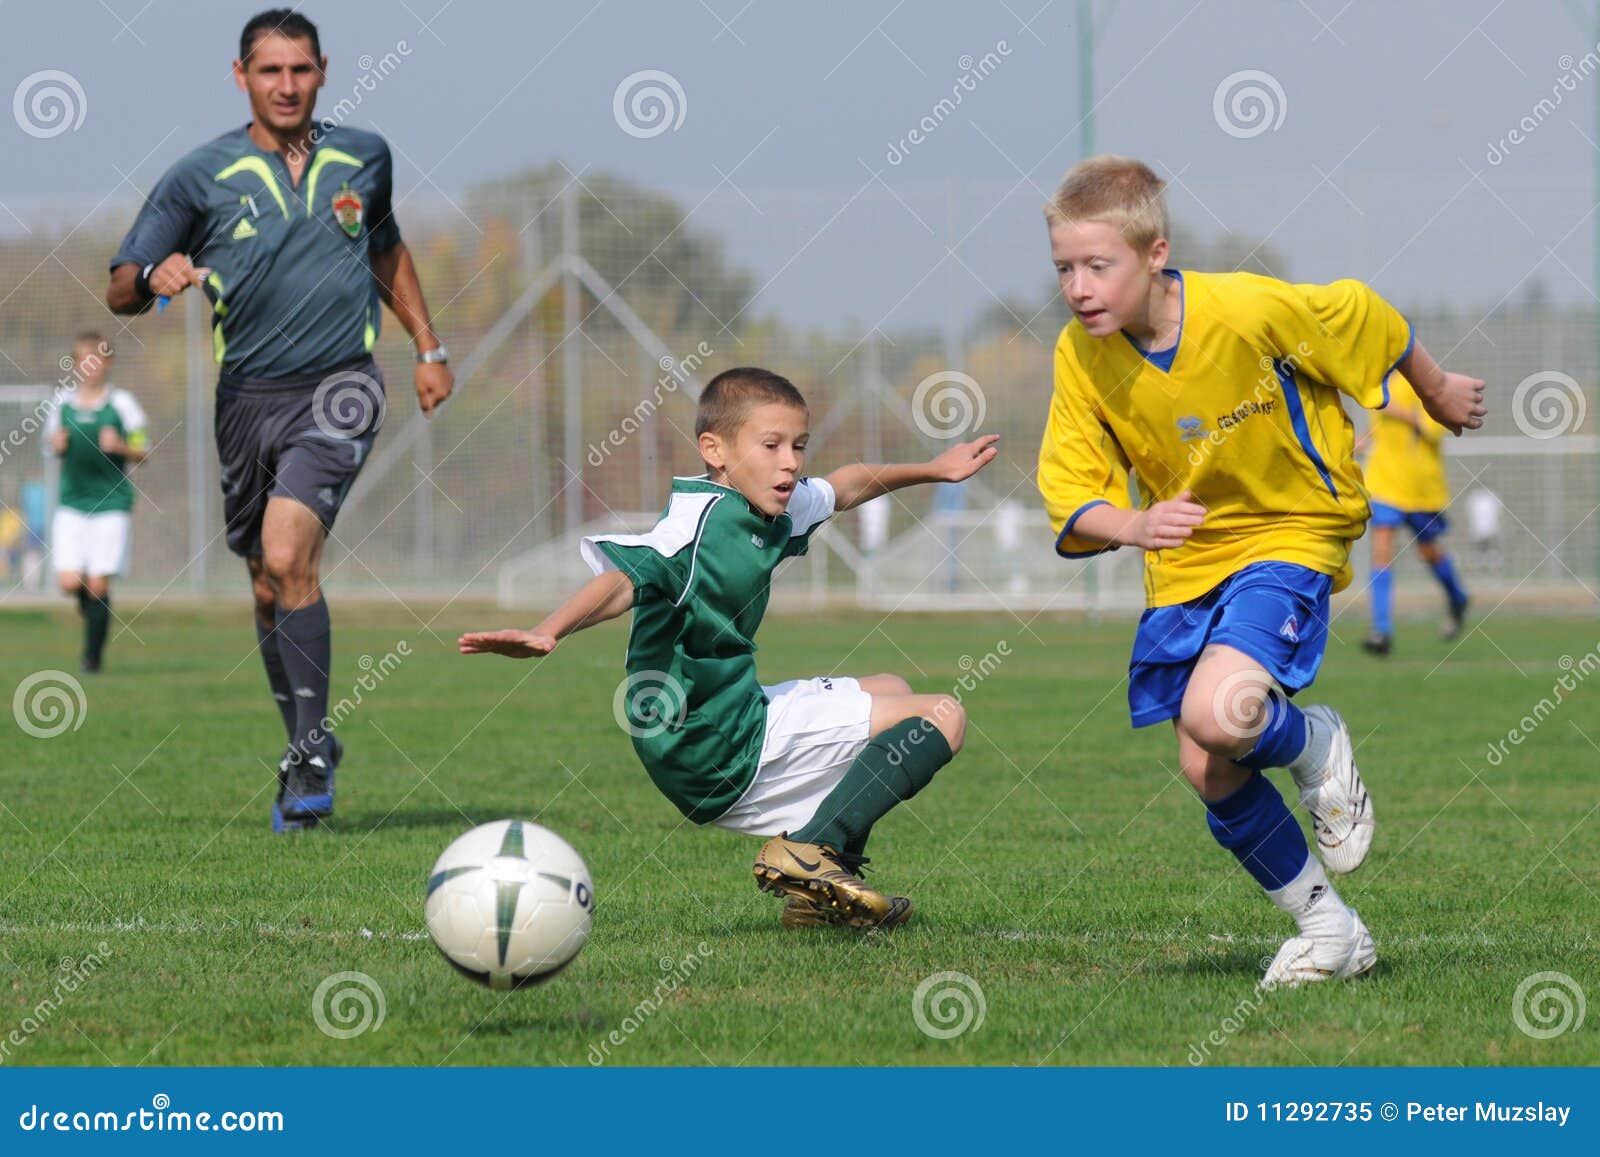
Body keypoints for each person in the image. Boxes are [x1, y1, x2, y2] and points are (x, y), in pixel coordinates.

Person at [1036, 157, 1485, 988]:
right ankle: (1330, 930)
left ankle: (1315, 739)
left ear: (1156, 253)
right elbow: (1071, 489)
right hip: (1186, 566)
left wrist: (1437, 387)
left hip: (1291, 531)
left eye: (1099, 265)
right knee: (1208, 763)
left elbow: (1362, 317)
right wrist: (1134, 523)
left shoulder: (1244, 306)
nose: (1078, 287)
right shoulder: (1080, 354)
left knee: (1221, 712)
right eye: (1064, 267)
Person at [460, 368, 999, 929]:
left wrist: (936, 470)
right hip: (709, 742)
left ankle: (816, 898)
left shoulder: (769, 502)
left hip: (728, 715)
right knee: (944, 715)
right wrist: (549, 630)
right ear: (713, 450)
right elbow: (624, 582)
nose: (789, 461)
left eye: (798, 445)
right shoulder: (695, 528)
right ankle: (811, 853)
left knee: (893, 690)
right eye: (771, 445)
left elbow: (848, 484)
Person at [106, 9, 453, 831]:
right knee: (265, 580)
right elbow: (119, 287)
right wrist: (160, 273)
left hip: (340, 385)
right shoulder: (200, 175)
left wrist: (429, 347)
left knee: (289, 550)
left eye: (301, 70)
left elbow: (386, 247)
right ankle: (309, 738)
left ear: (324, 71)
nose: (287, 85)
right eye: (270, 71)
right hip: (245, 398)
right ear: (241, 77)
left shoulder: (364, 155)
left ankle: (303, 762)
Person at [44, 333, 149, 673]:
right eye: (84, 361)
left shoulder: (122, 404)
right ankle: (95, 620)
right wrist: (55, 445)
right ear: (75, 365)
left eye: (98, 360)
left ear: (108, 363)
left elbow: (143, 451)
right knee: (70, 583)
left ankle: (92, 659)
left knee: (99, 582)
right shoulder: (61, 403)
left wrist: (122, 447)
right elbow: (50, 446)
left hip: (111, 504)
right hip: (72, 503)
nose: (91, 368)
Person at [1358, 371, 1470, 655]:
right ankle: (1381, 631)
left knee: (1428, 551)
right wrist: (1362, 442)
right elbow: (1382, 431)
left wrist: (1396, 411)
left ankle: (1457, 597)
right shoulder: (1377, 385)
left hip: (1420, 487)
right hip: (1384, 483)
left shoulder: (1424, 381)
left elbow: (1434, 428)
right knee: (1381, 546)